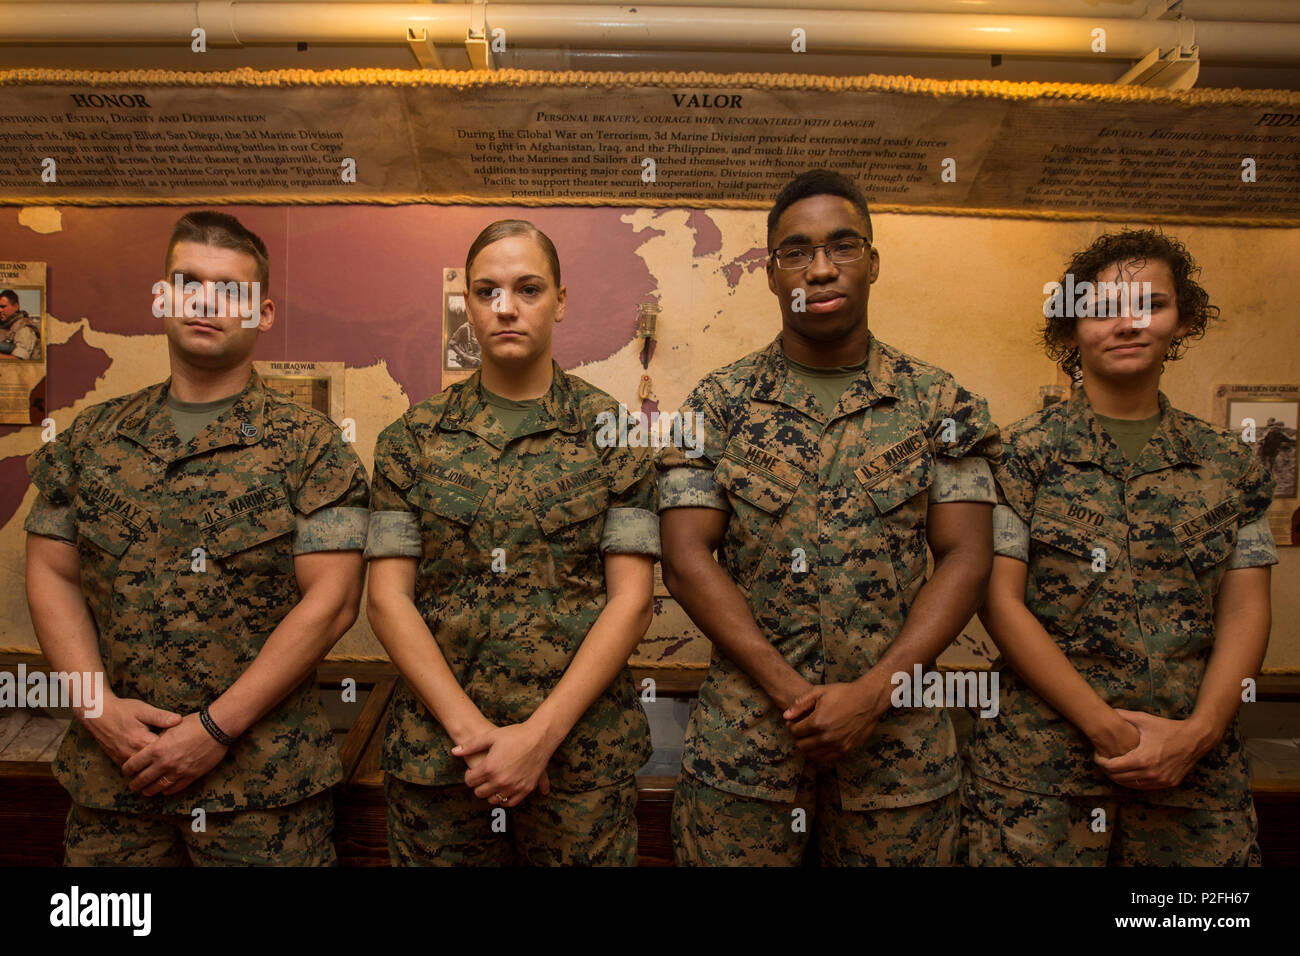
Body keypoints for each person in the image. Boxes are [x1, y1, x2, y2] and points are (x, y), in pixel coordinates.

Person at [657, 169, 1000, 866]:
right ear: (771, 271)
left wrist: (874, 695)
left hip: (897, 754)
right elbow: (687, 558)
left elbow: (966, 557)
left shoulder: (940, 404)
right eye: (796, 251)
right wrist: (794, 695)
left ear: (872, 262)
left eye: (842, 247)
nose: (819, 268)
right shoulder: (719, 403)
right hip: (747, 749)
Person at [24, 211, 369, 866]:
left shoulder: (312, 448)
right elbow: (51, 573)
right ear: (163, 298)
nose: (206, 302)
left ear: (264, 313)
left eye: (230, 289)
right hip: (114, 786)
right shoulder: (92, 439)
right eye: (187, 283)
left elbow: (332, 604)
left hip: (260, 793)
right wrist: (94, 706)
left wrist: (213, 730)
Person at [963, 229, 1276, 866]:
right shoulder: (1017, 456)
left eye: (1151, 305)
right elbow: (1000, 603)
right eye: (1103, 308)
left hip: (1194, 776)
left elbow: (1245, 611)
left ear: (1181, 323)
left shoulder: (1230, 465)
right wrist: (1108, 728)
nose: (1128, 324)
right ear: (1070, 328)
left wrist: (1198, 736)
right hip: (1041, 776)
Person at [365, 219, 659, 866]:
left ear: (561, 299)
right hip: (442, 764)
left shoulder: (614, 433)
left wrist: (537, 740)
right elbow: (387, 602)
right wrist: (477, 740)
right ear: (466, 304)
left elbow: (632, 601)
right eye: (486, 291)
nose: (505, 308)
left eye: (528, 289)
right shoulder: (410, 440)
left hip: (581, 765)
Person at [0, 289, 39, 361]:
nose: (0, 310)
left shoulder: (24, 328)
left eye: (3, 306)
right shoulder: (5, 326)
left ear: (15, 306)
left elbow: (19, 360)